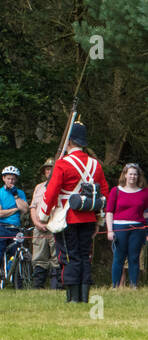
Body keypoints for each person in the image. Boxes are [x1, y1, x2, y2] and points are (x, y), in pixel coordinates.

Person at [39, 121, 108, 304]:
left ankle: (73, 299)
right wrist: (98, 220)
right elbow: (104, 193)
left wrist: (43, 216)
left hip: (68, 217)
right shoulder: (95, 164)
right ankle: (84, 297)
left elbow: (51, 193)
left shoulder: (62, 164)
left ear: (69, 141)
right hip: (89, 217)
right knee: (85, 256)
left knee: (69, 257)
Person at [106, 162, 147, 288]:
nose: (133, 177)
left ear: (138, 176)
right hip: (119, 227)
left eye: (135, 174)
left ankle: (134, 285)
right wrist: (109, 230)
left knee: (134, 258)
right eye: (130, 174)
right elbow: (109, 212)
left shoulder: (144, 192)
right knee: (119, 257)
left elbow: (146, 214)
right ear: (125, 175)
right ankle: (115, 286)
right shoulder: (116, 191)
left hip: (138, 228)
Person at [0, 165, 30, 289]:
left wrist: (16, 196)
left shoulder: (20, 193)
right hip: (0, 227)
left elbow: (25, 209)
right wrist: (15, 209)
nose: (11, 181)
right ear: (3, 179)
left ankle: (15, 280)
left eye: (13, 179)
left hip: (15, 228)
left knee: (15, 254)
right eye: (8, 179)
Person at [30, 161, 58, 289]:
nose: (49, 172)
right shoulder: (39, 187)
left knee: (56, 257)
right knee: (39, 258)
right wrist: (36, 223)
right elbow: (33, 207)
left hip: (54, 227)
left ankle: (56, 286)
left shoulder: (60, 186)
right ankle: (38, 286)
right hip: (39, 228)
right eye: (47, 170)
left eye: (51, 169)